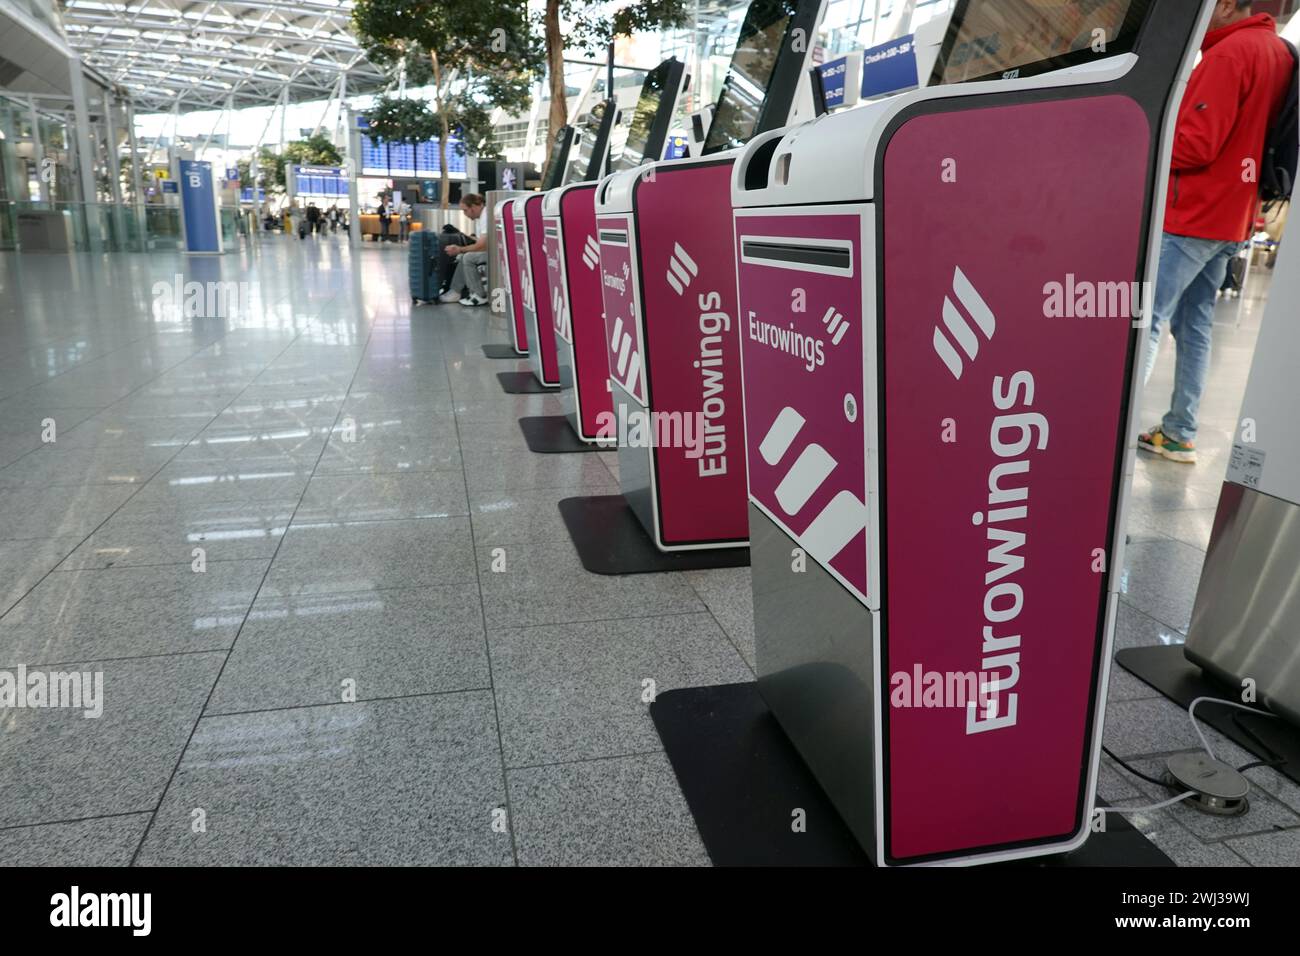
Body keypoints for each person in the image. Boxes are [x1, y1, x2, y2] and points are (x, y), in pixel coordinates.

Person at [1139, 0, 1294, 464]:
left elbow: (1194, 145)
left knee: (1144, 321)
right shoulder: (1280, 52)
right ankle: (1180, 431)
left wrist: (1145, 133)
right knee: (1195, 326)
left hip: (1193, 216)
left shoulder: (1230, 53)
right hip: (1234, 217)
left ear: (1225, 4)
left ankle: (1110, 433)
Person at [437, 193, 488, 304]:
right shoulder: (481, 217)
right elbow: (481, 241)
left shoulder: (486, 215)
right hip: (492, 250)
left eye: (465, 210)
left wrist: (459, 249)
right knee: (464, 256)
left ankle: (479, 295)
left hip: (498, 254)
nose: (465, 214)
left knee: (468, 257)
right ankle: (456, 291)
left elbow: (483, 245)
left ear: (473, 207)